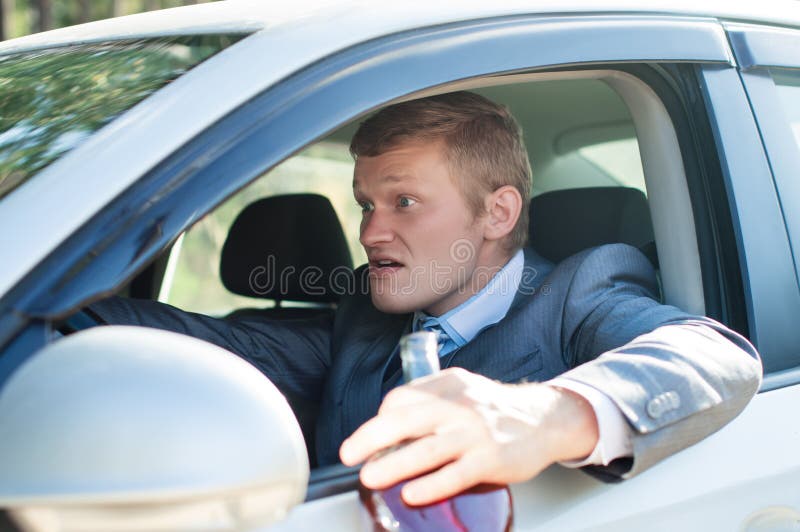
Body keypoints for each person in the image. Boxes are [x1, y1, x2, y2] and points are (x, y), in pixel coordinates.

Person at [89, 92, 761, 507]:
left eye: (404, 202)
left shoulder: (582, 291)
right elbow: (208, 343)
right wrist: (53, 310)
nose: (369, 233)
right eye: (367, 205)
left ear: (497, 213)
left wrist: (544, 417)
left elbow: (715, 356)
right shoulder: (363, 317)